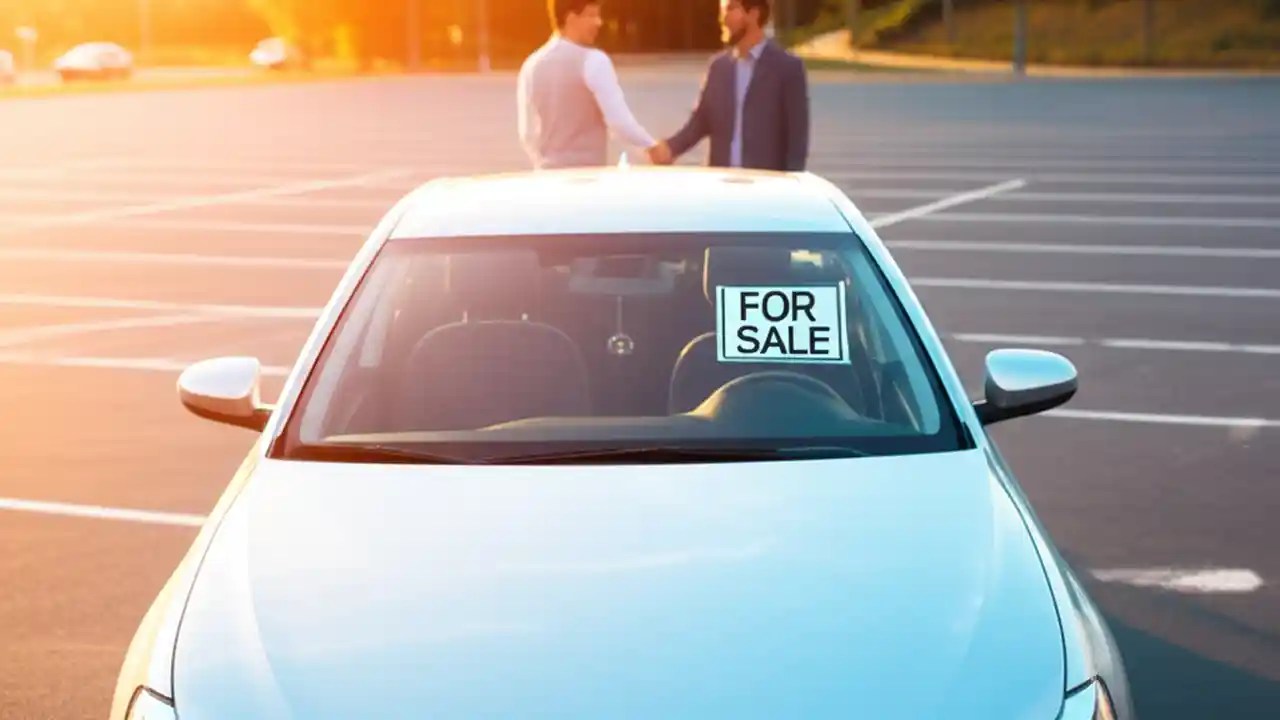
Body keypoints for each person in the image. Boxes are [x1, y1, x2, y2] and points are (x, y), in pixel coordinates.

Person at [650, 0, 810, 172]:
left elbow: (797, 143)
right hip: (722, 189)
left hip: (766, 190)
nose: (722, 19)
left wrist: (791, 186)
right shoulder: (718, 68)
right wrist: (670, 148)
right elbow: (700, 122)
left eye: (730, 9)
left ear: (753, 14)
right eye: (722, 11)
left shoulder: (787, 68)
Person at [518, 0, 663, 169]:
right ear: (571, 18)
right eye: (591, 15)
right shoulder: (594, 60)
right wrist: (651, 146)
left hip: (547, 178)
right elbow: (619, 121)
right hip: (587, 178)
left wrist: (541, 162)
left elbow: (526, 133)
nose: (599, 22)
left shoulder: (531, 65)